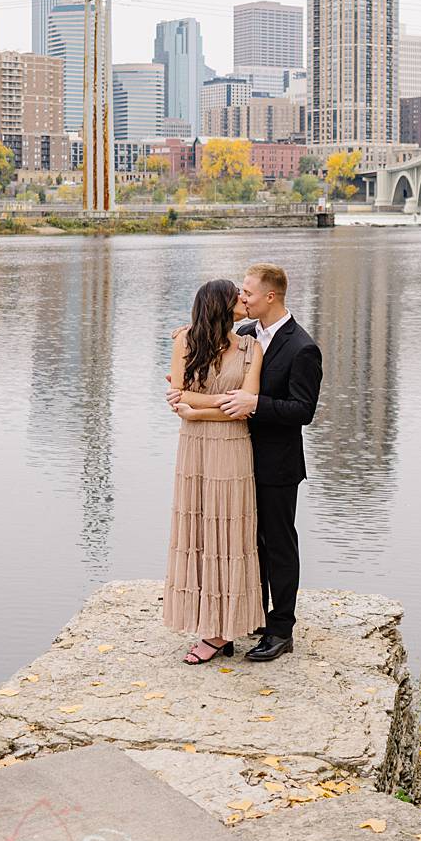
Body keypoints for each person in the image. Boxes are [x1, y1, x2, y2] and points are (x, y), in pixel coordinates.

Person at [173, 263, 321, 663]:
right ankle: (247, 618)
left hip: (276, 462)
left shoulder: (302, 346)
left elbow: (303, 410)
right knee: (242, 543)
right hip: (232, 456)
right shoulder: (244, 334)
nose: (243, 298)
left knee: (277, 544)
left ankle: (280, 629)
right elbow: (211, 362)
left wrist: (255, 404)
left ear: (269, 297)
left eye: (248, 293)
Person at [162, 278, 266, 664]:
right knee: (201, 531)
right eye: (236, 294)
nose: (243, 298)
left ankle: (222, 631)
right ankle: (208, 623)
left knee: (230, 533)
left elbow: (247, 404)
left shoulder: (251, 347)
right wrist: (211, 404)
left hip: (232, 448)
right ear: (220, 305)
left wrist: (198, 408)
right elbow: (179, 397)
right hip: (194, 449)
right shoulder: (185, 341)